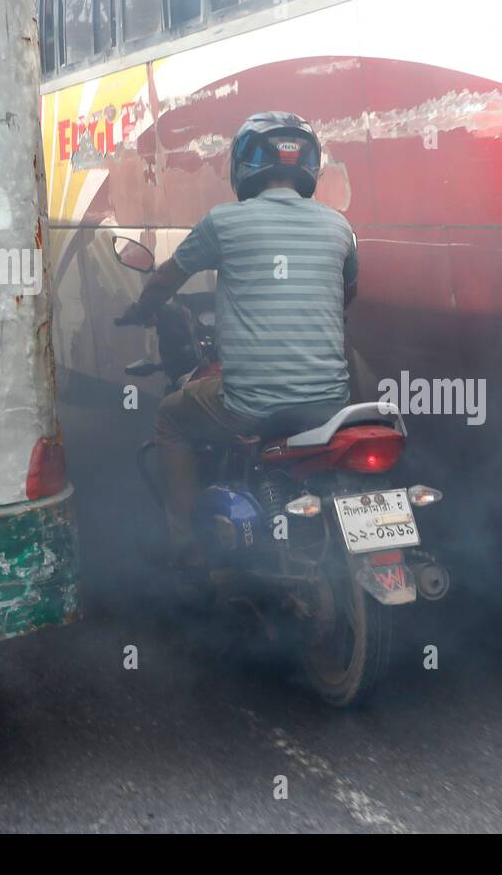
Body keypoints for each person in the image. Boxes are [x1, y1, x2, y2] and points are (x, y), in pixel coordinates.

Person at [117, 111, 358, 567]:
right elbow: (345, 297)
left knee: (171, 418)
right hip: (330, 404)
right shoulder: (339, 227)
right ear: (309, 165)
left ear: (245, 165)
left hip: (249, 405)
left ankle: (189, 547)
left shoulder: (223, 223)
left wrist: (141, 311)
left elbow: (167, 278)